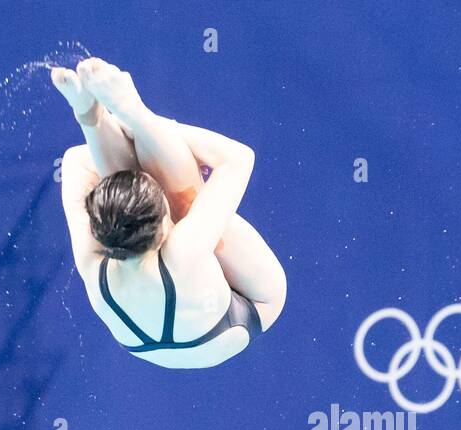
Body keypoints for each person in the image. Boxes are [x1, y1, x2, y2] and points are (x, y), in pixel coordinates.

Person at [52, 58, 286, 369]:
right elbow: (239, 157)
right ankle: (119, 115)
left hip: (149, 341)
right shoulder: (182, 251)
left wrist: (91, 116)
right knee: (186, 200)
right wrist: (138, 116)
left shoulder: (93, 262)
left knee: (130, 192)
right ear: (167, 228)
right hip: (243, 313)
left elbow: (76, 160)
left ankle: (93, 116)